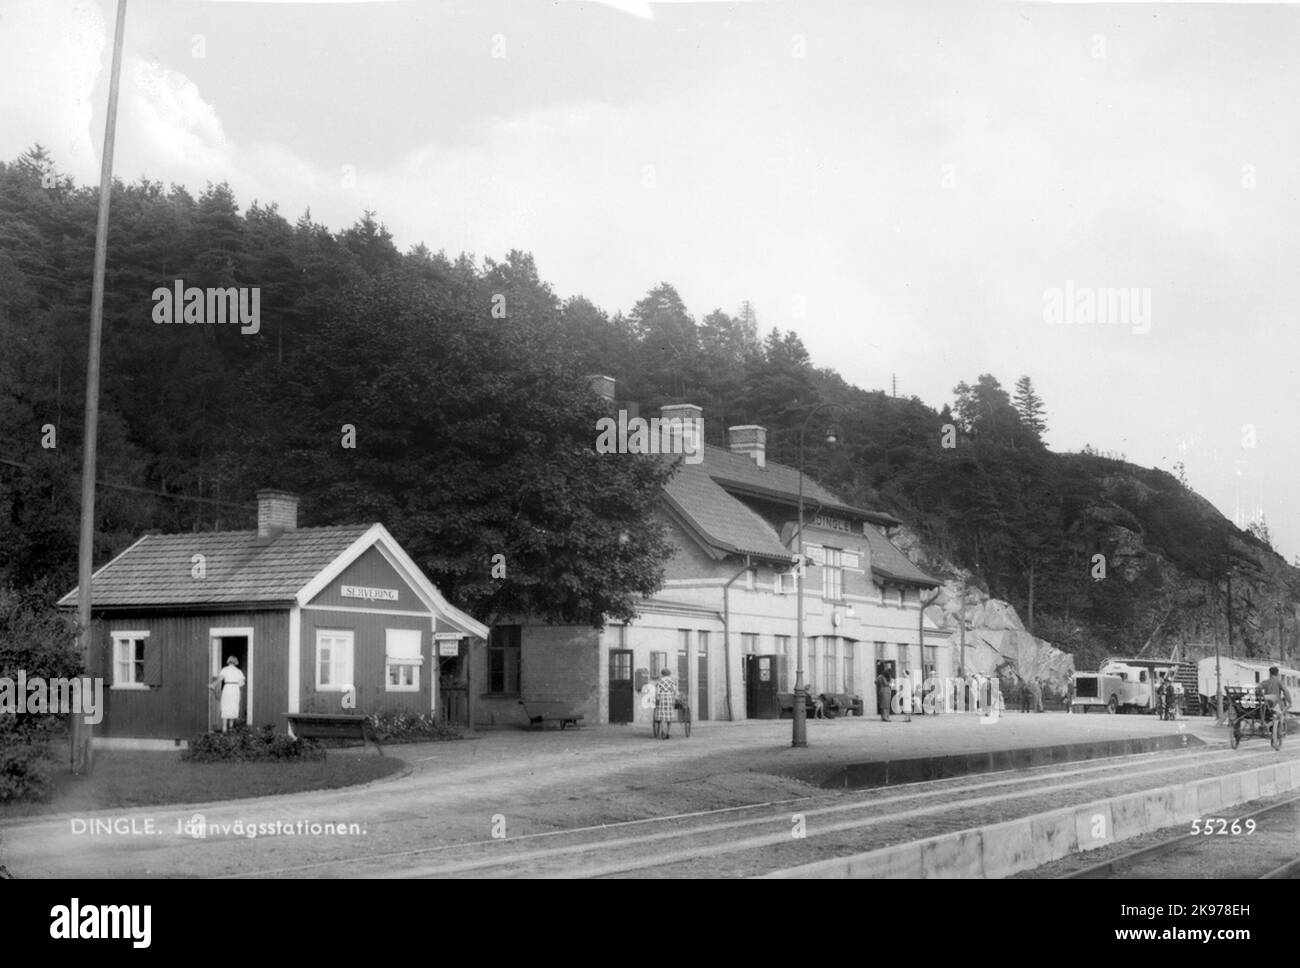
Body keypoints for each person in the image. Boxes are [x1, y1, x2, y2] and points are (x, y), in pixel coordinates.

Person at [211, 656, 245, 733]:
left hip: (227, 688)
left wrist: (213, 684)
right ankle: (231, 729)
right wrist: (236, 684)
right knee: (233, 708)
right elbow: (242, 683)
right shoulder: (238, 671)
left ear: (228, 661)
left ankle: (224, 729)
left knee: (225, 707)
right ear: (236, 662)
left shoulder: (225, 669)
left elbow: (219, 679)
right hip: (235, 689)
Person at [654, 668, 678, 739]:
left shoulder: (659, 681)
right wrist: (675, 697)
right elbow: (674, 691)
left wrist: (657, 698)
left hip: (662, 698)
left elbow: (657, 691)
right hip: (669, 698)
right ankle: (668, 732)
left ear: (662, 674)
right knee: (669, 716)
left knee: (662, 716)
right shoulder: (672, 681)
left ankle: (662, 731)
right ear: (669, 674)